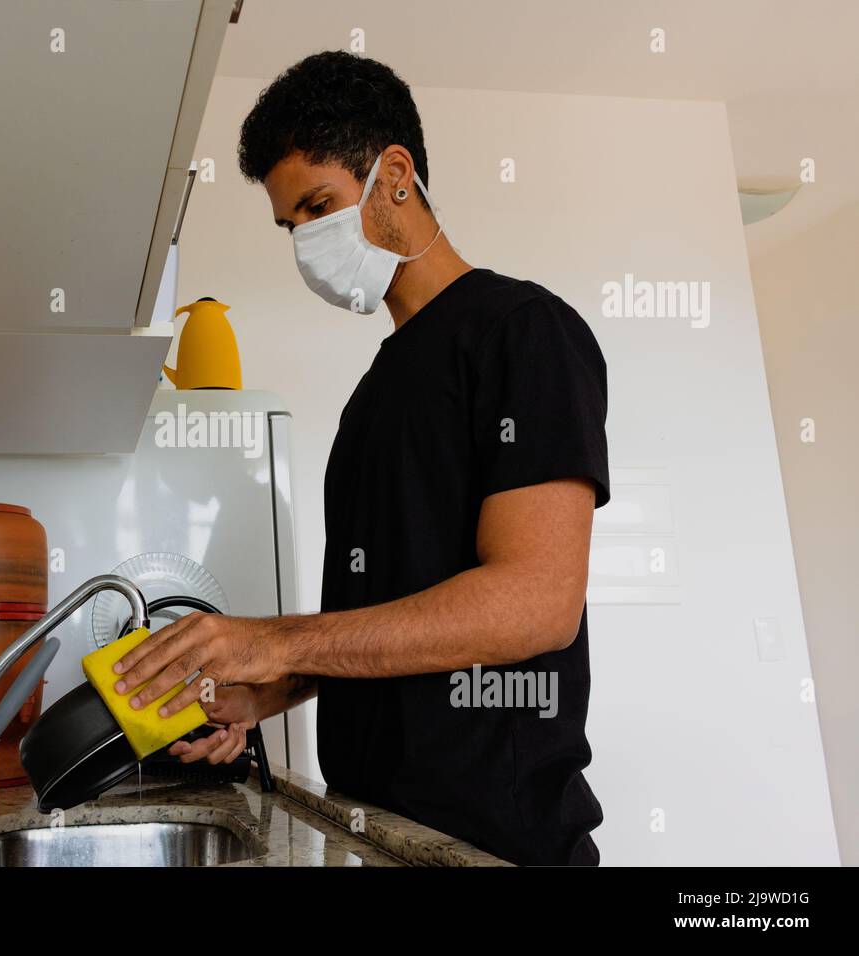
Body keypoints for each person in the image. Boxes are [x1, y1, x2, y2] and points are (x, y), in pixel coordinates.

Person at [114, 51, 609, 866]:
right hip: (369, 828)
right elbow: (381, 626)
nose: (307, 241)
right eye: (290, 226)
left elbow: (536, 601)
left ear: (396, 174)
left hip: (494, 844)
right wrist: (257, 697)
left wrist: (270, 641)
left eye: (319, 205)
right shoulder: (371, 396)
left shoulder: (523, 332)